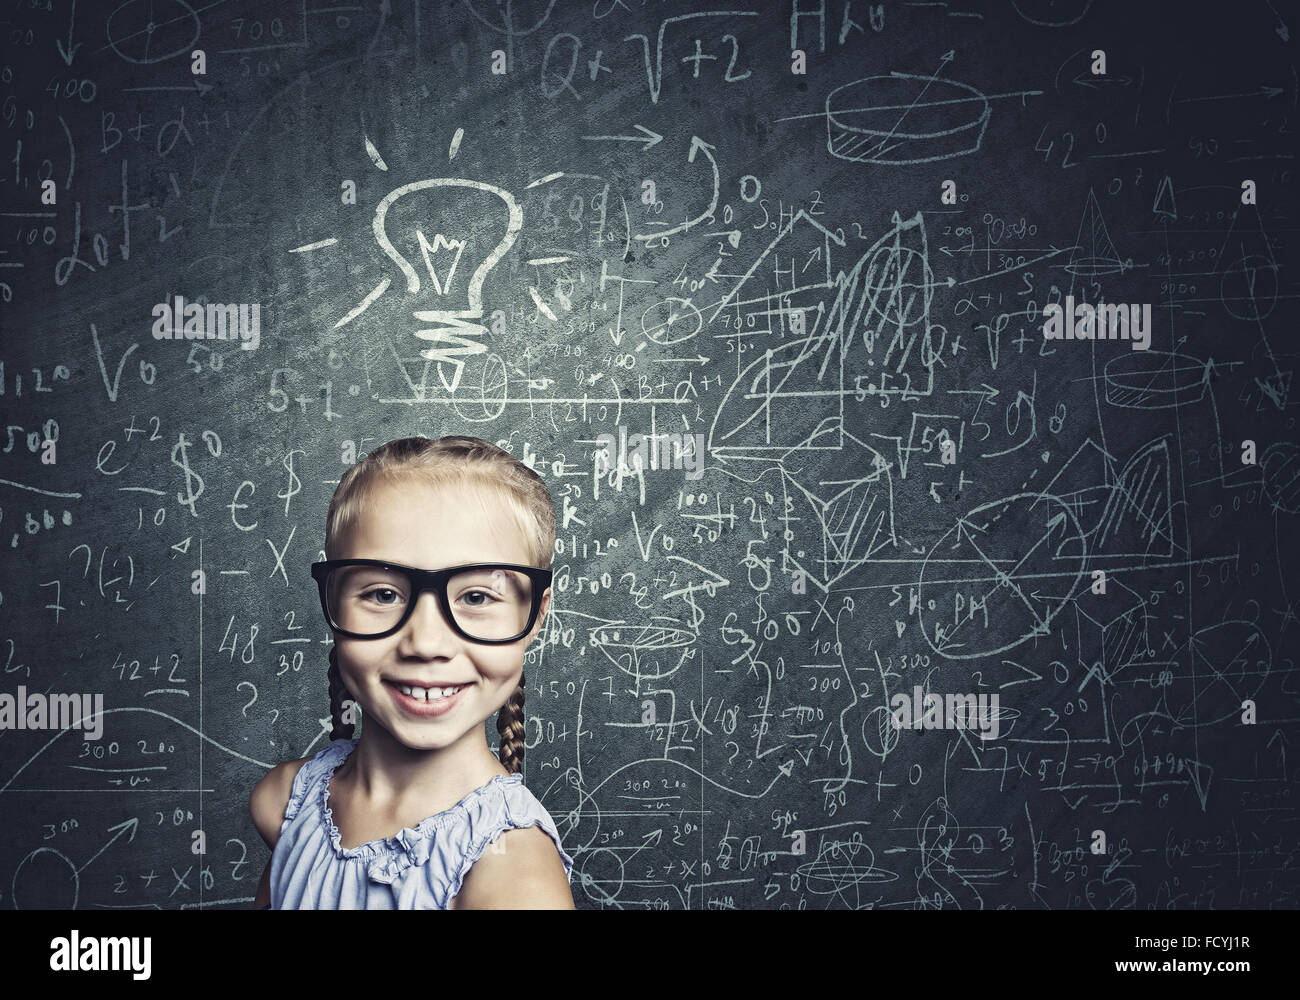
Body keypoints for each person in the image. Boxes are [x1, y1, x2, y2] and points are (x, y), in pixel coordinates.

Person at [248, 435, 575, 909]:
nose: (425, 643)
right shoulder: (283, 804)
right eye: (382, 594)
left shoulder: (513, 877)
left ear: (535, 616)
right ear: (333, 600)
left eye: (477, 597)